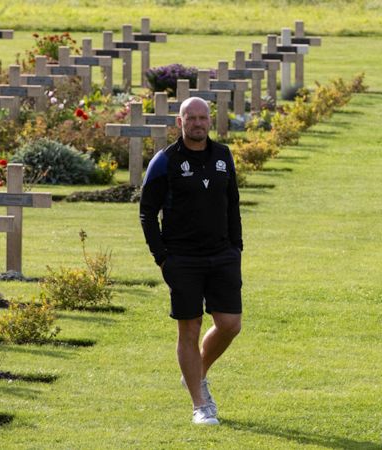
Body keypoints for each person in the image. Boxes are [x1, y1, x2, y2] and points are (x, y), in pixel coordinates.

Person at [139, 96, 243, 425]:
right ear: (179, 122)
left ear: (209, 121)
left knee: (230, 324)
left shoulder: (223, 156)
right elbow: (146, 213)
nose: (197, 123)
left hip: (222, 255)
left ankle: (196, 373)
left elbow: (233, 205)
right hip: (182, 258)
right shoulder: (165, 161)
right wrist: (162, 258)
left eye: (202, 117)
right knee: (190, 328)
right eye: (190, 118)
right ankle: (200, 405)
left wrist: (236, 248)